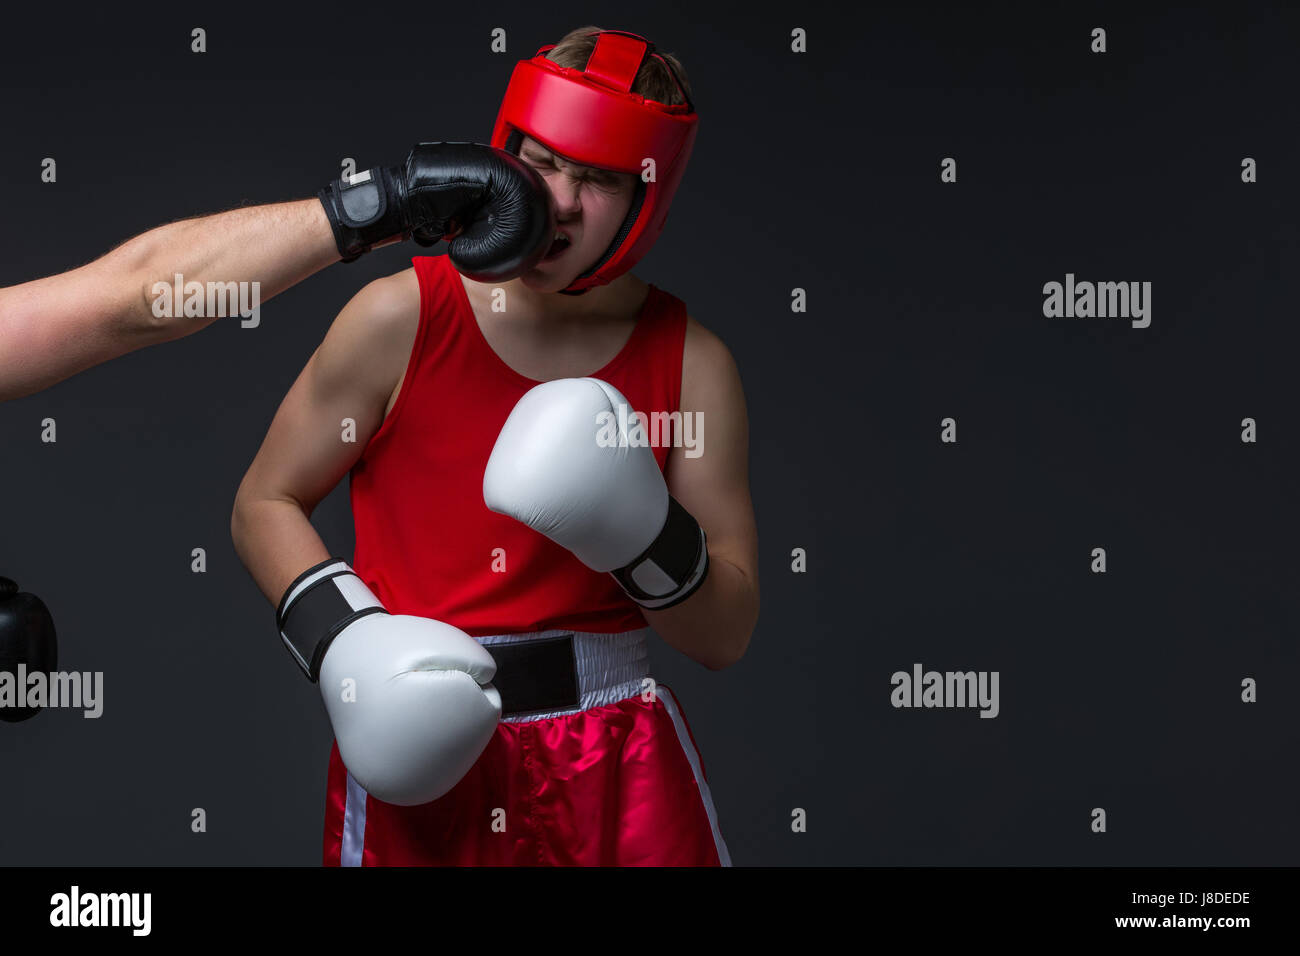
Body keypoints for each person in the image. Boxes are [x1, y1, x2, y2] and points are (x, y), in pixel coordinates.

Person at [231, 26, 758, 866]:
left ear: (647, 199)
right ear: (501, 150)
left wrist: (638, 531)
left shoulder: (691, 362)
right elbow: (264, 500)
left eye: (597, 180)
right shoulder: (398, 317)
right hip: (420, 750)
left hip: (614, 760)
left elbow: (724, 634)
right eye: (542, 162)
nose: (559, 202)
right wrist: (348, 642)